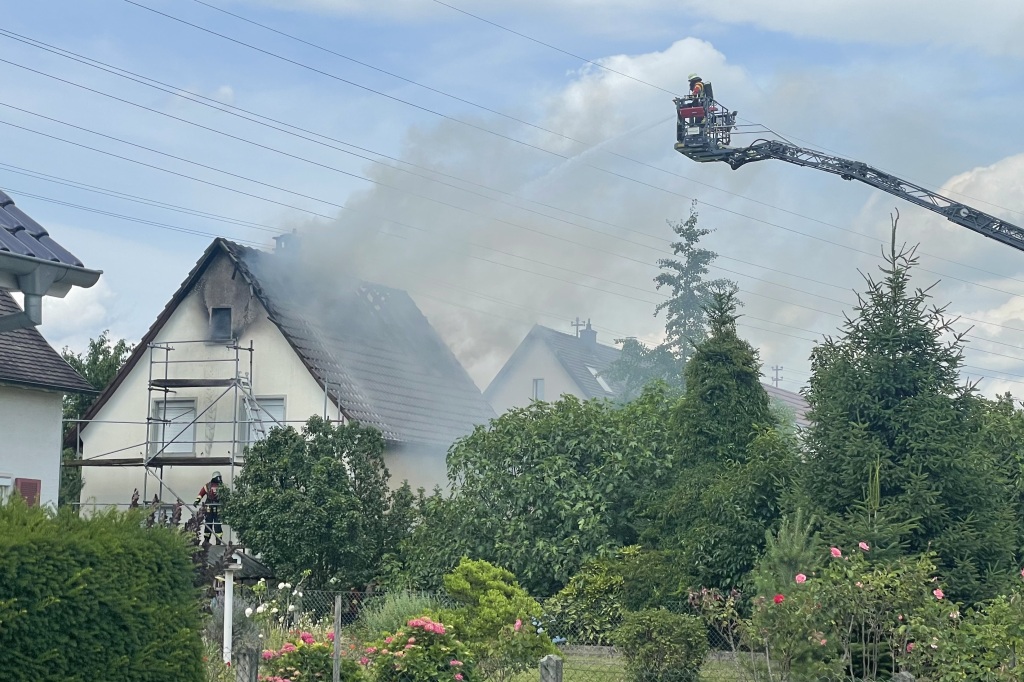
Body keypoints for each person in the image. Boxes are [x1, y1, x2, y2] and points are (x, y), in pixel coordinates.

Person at [195, 471, 224, 545]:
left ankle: (218, 541)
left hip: (218, 508)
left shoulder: (222, 487)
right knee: (208, 524)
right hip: (209, 508)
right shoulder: (207, 486)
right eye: (218, 477)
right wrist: (197, 501)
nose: (219, 479)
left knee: (217, 525)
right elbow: (201, 493)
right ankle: (206, 540)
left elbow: (225, 497)